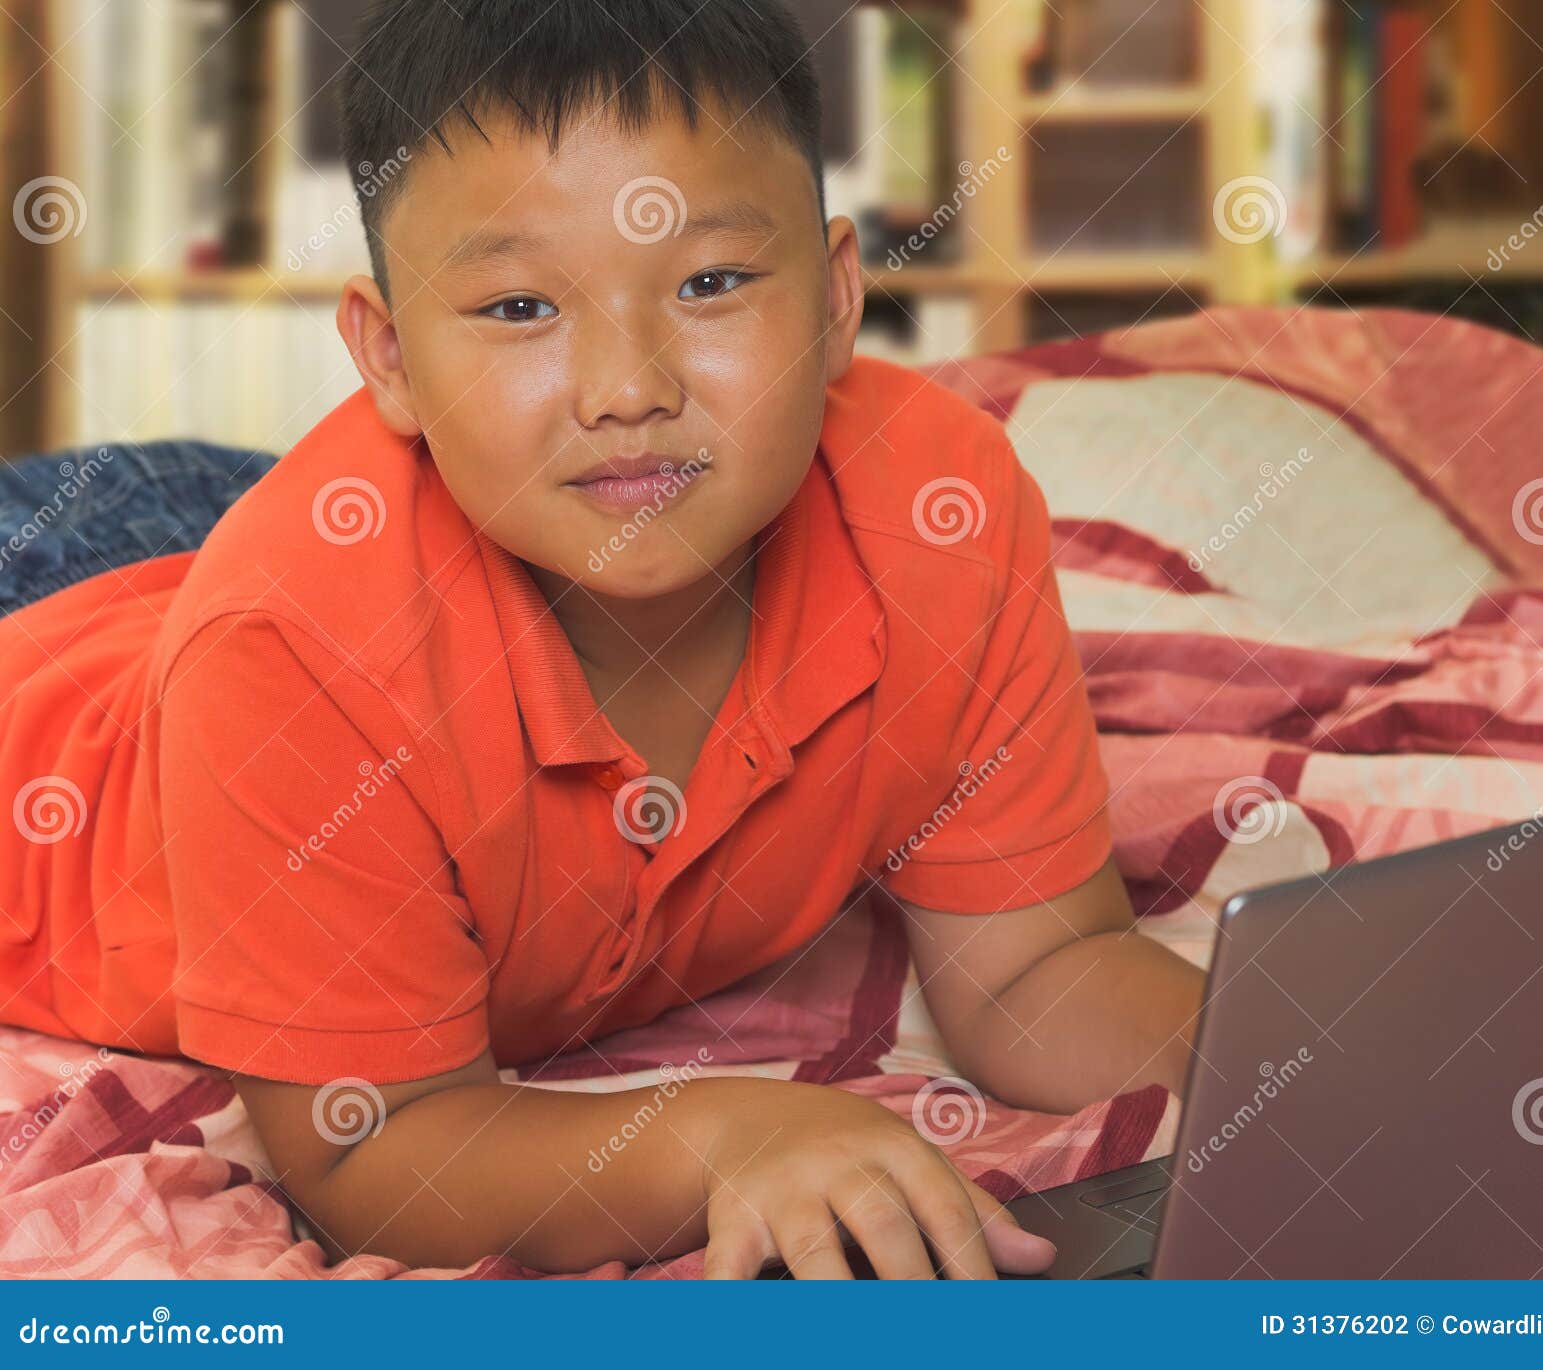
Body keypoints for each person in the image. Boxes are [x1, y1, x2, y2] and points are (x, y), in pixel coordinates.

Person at [0, 0, 1202, 1279]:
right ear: (389, 357)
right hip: (65, 643)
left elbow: (1039, 969)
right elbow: (371, 1151)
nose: (627, 386)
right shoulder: (289, 658)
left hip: (327, 531)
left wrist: (1296, 1041)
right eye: (520, 306)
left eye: (711, 282)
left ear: (840, 294)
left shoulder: (945, 510)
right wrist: (723, 1133)